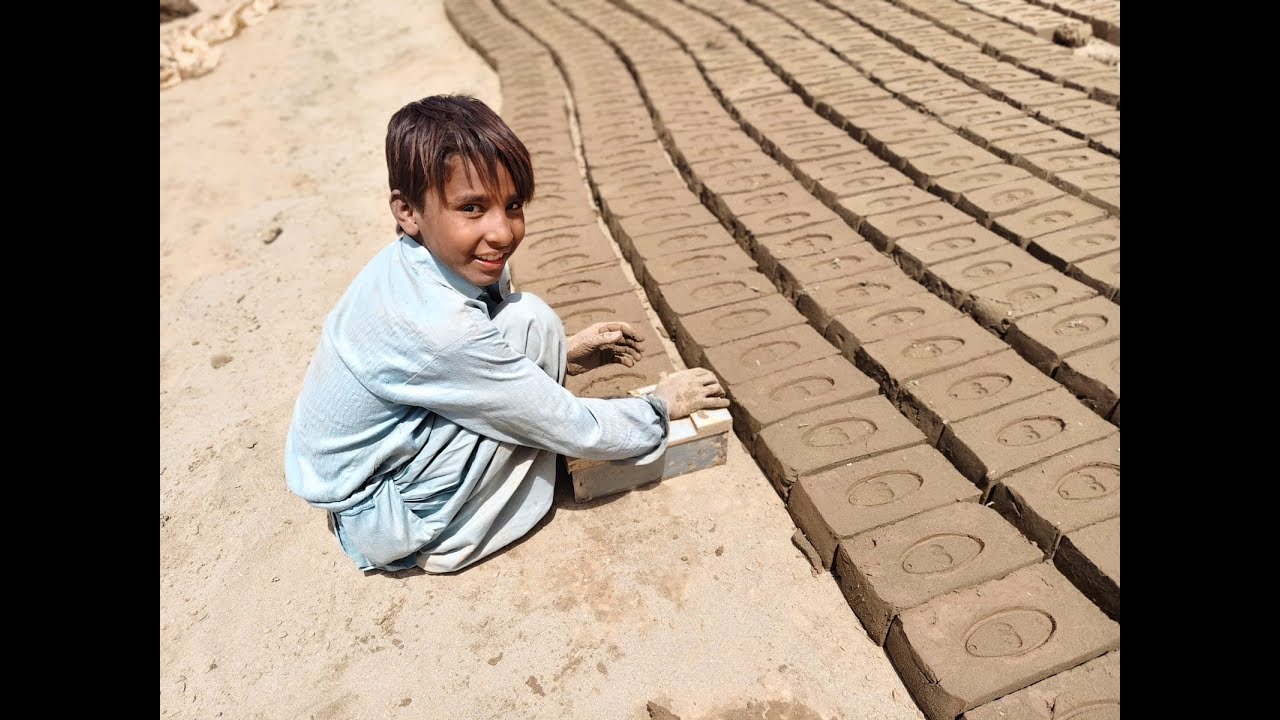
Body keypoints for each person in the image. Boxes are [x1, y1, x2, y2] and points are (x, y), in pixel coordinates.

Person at [284, 95, 729, 573]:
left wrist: (568, 352)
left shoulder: (419, 260)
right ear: (408, 211)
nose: (501, 231)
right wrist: (659, 408)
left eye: (512, 204)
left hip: (379, 457)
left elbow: (479, 351)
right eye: (472, 208)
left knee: (532, 320)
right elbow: (571, 426)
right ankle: (448, 538)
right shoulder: (437, 325)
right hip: (383, 513)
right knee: (542, 405)